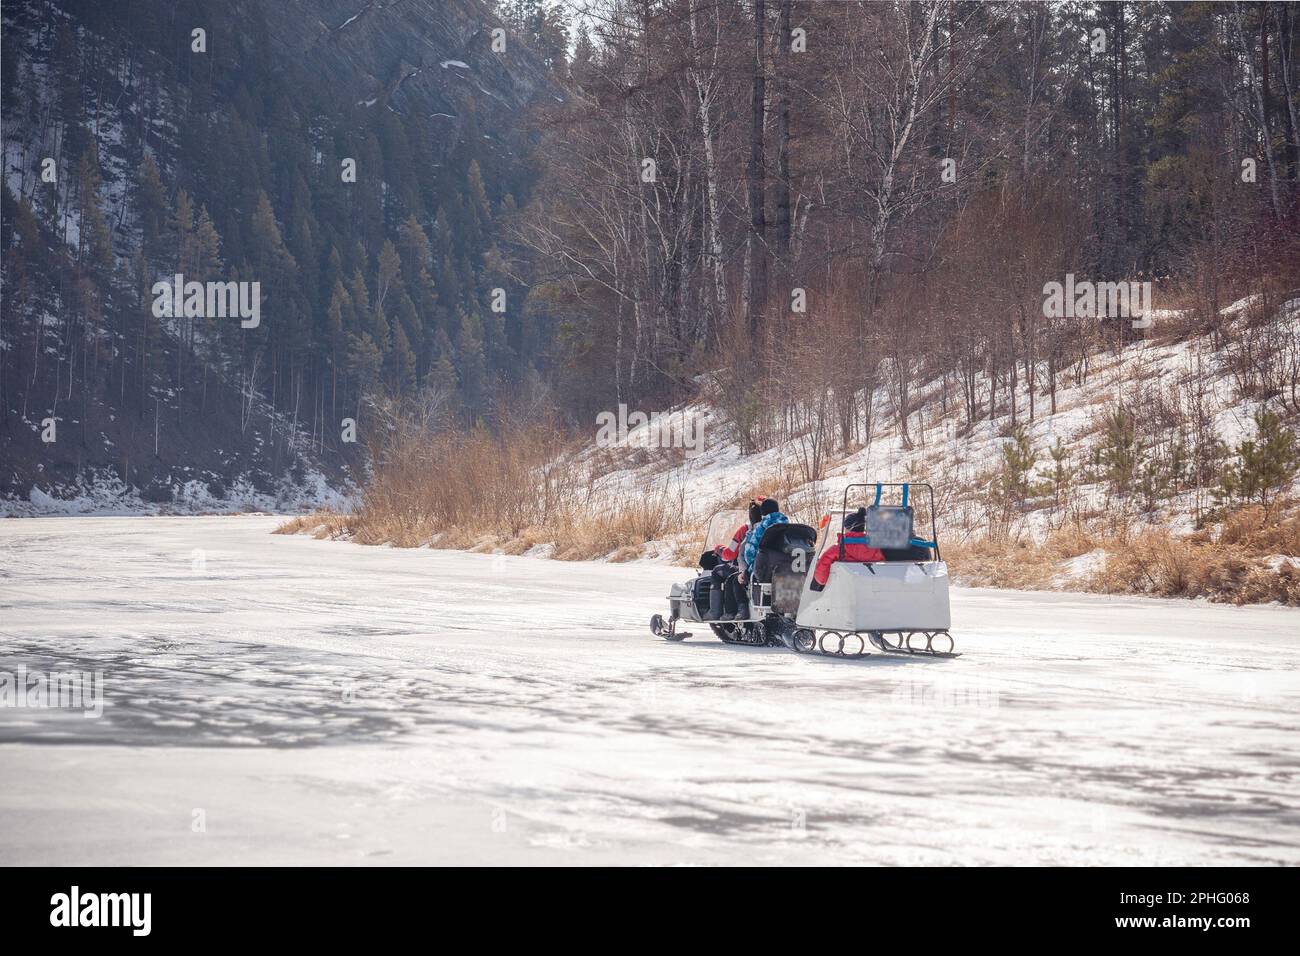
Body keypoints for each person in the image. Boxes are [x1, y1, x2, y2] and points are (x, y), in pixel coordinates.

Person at [731, 498, 789, 620]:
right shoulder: (789, 526)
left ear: (763, 513)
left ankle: (743, 614)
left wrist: (747, 570)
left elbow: (749, 553)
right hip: (787, 570)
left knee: (736, 581)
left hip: (764, 571)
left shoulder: (761, 527)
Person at [705, 501, 760, 621]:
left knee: (717, 571)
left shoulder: (745, 530)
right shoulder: (773, 528)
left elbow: (729, 554)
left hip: (746, 569)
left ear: (750, 514)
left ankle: (715, 611)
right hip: (765, 568)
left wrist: (719, 549)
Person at [810, 507, 884, 591]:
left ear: (848, 529)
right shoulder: (876, 548)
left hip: (845, 589)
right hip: (871, 588)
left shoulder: (837, 549)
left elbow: (822, 569)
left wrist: (819, 583)